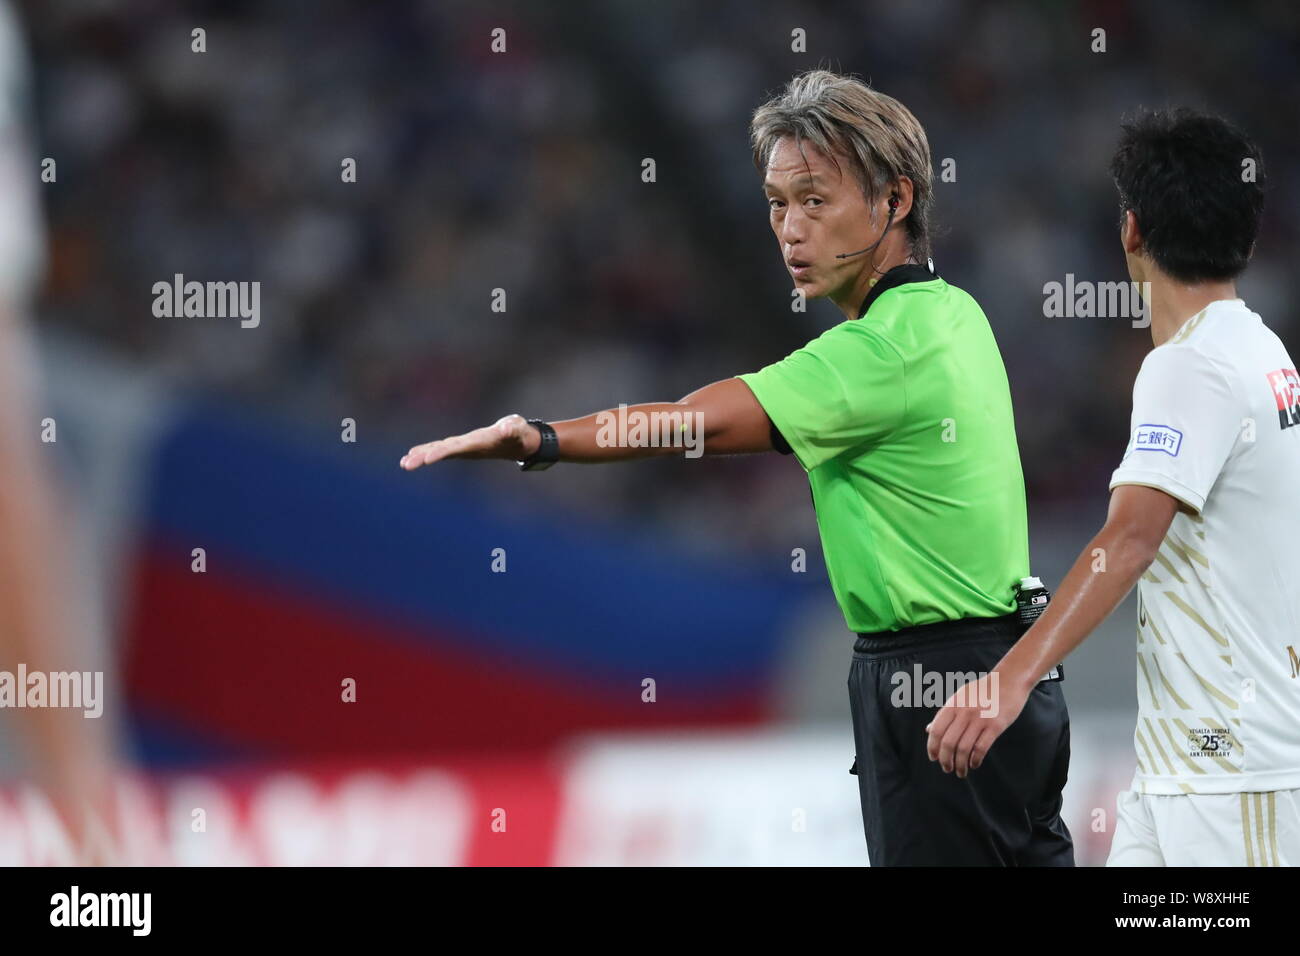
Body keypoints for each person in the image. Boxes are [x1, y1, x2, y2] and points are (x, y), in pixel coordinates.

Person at [402, 70, 1073, 866]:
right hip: (999, 673)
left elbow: (702, 421)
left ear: (895, 201)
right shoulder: (953, 311)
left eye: (816, 200)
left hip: (939, 686)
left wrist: (547, 439)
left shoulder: (878, 350)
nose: (790, 229)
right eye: (776, 203)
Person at [927, 108, 1300, 866]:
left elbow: (1128, 540)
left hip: (1234, 779)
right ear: (1249, 238)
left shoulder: (1188, 366)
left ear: (1131, 232)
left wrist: (1009, 682)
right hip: (1181, 770)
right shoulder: (1263, 351)